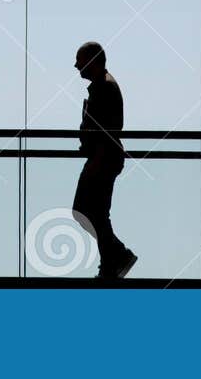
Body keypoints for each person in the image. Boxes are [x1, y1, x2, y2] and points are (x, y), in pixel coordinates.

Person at [73, 40, 137, 279]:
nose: (76, 65)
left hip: (103, 158)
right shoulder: (103, 87)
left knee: (86, 210)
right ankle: (112, 260)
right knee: (94, 212)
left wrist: (95, 158)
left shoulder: (104, 88)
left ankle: (116, 256)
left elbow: (106, 129)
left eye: (80, 60)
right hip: (103, 157)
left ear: (93, 61)